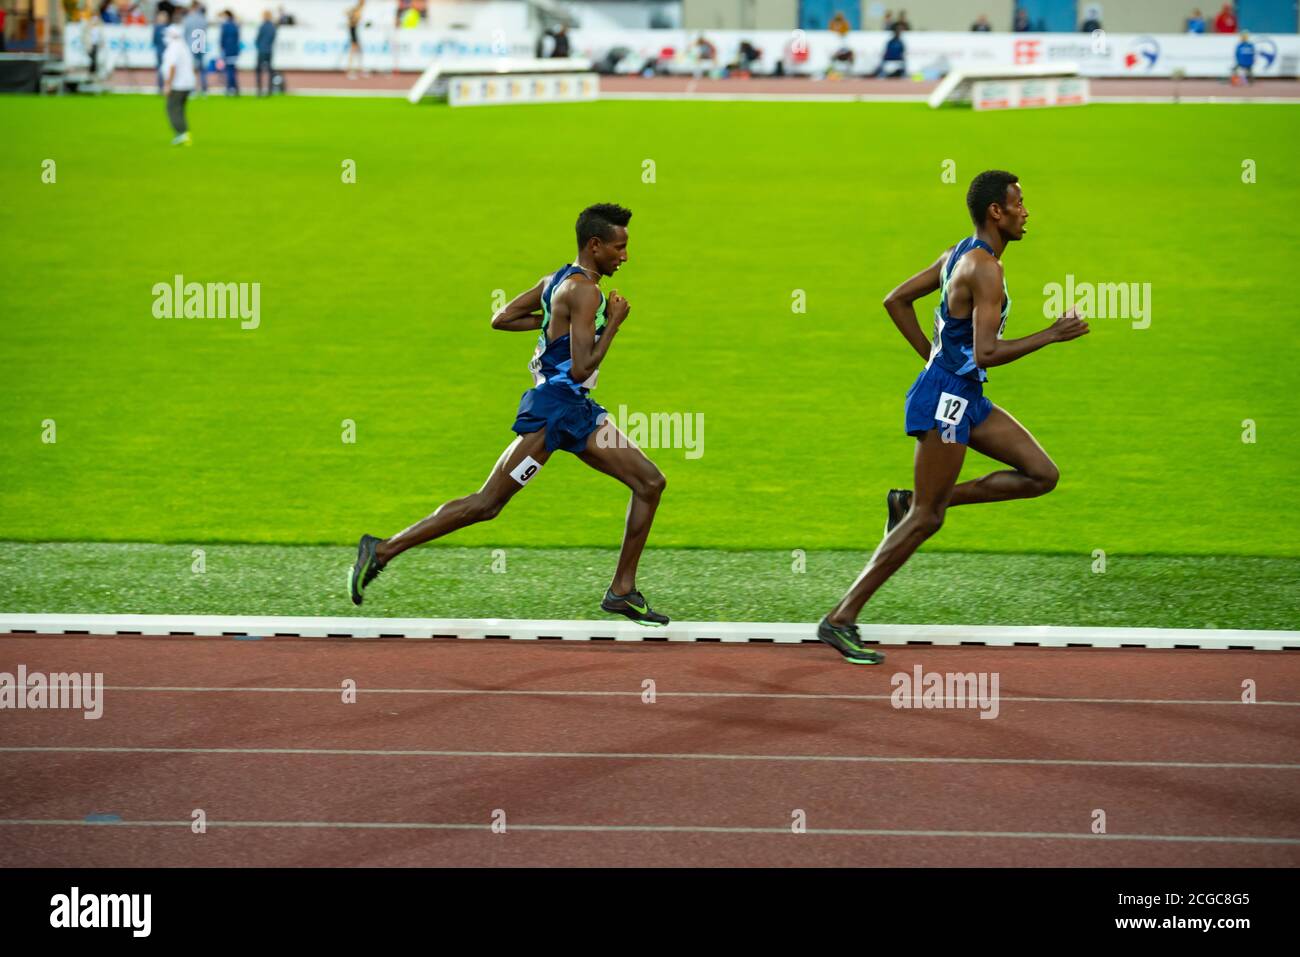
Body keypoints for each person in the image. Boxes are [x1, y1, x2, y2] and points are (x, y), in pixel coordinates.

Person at [349, 204, 671, 627]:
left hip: (578, 413)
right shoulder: (587, 292)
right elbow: (581, 368)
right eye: (620, 247)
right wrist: (612, 324)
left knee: (649, 482)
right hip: (555, 413)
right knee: (486, 504)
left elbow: (502, 318)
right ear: (595, 245)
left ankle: (622, 591)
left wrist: (555, 325)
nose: (625, 256)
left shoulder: (555, 279)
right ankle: (383, 549)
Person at [816, 172, 1088, 664]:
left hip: (962, 394)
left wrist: (935, 358)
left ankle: (909, 501)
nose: (1027, 211)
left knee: (1041, 474)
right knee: (927, 519)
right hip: (947, 400)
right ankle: (840, 618)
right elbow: (985, 351)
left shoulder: (955, 253)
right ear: (995, 213)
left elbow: (894, 300)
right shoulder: (985, 268)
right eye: (1019, 203)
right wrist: (1050, 334)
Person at [161, 24, 196, 145]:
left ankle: (182, 133)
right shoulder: (184, 46)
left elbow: (172, 66)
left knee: (172, 108)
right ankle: (184, 133)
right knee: (180, 109)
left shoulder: (173, 48)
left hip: (178, 84)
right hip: (187, 83)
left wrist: (167, 84)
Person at [182, 2, 208, 96]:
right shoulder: (203, 19)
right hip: (200, 45)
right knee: (202, 69)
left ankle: (192, 89)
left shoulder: (188, 19)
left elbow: (185, 33)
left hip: (191, 46)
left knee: (191, 69)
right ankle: (204, 89)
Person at [255, 10, 276, 95]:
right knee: (269, 70)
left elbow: (257, 39)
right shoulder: (272, 26)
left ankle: (259, 90)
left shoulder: (262, 26)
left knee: (259, 71)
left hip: (261, 51)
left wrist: (259, 46)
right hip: (269, 50)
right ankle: (269, 90)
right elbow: (273, 38)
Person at [219, 9, 239, 94]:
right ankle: (235, 88)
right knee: (232, 69)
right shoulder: (235, 25)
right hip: (234, 50)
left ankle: (230, 87)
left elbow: (222, 39)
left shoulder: (225, 25)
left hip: (228, 50)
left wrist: (222, 48)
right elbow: (237, 38)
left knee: (229, 70)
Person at [345, 0, 364, 77]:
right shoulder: (356, 9)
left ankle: (359, 69)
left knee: (359, 50)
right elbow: (352, 18)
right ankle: (350, 71)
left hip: (354, 30)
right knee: (353, 51)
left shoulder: (357, 9)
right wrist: (354, 18)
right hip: (353, 30)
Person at [152, 10, 170, 91]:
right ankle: (165, 86)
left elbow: (154, 40)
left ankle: (160, 87)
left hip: (159, 51)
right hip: (165, 51)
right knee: (166, 70)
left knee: (160, 69)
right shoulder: (167, 28)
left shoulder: (156, 28)